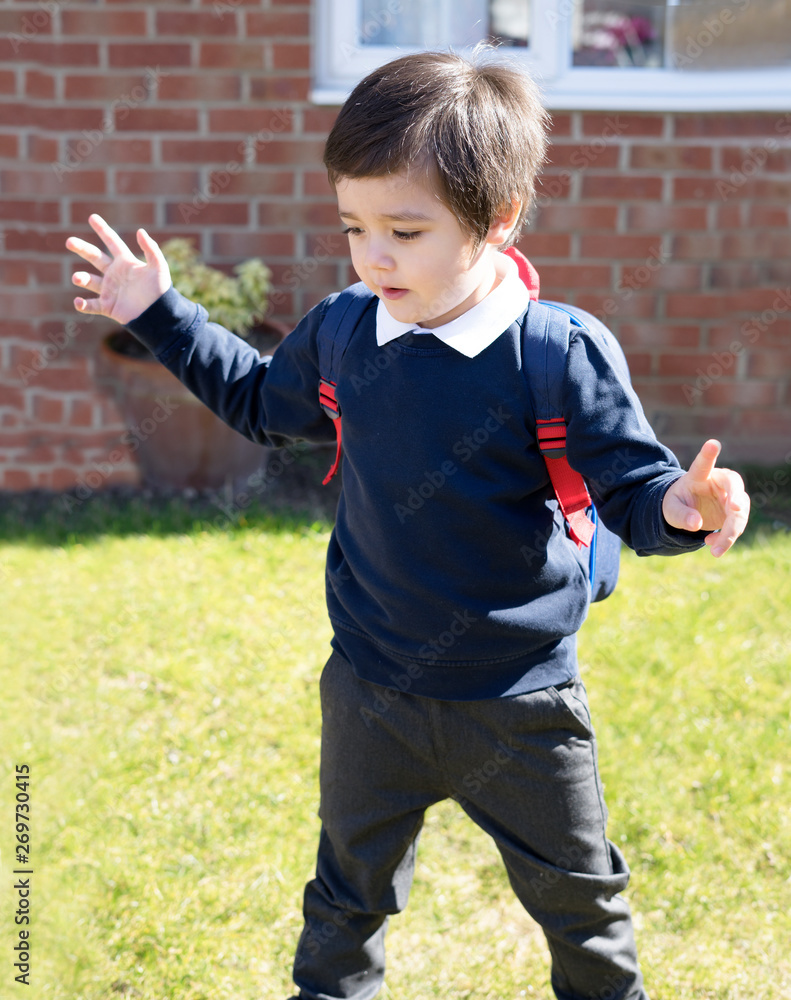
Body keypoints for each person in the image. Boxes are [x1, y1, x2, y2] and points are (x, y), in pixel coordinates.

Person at [66, 50, 749, 1000]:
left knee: (581, 909)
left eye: (404, 229)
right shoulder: (346, 328)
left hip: (519, 705)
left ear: (496, 220)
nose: (372, 255)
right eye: (353, 225)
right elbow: (265, 405)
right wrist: (162, 315)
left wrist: (683, 506)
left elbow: (635, 490)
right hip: (371, 688)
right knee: (344, 903)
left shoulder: (553, 352)